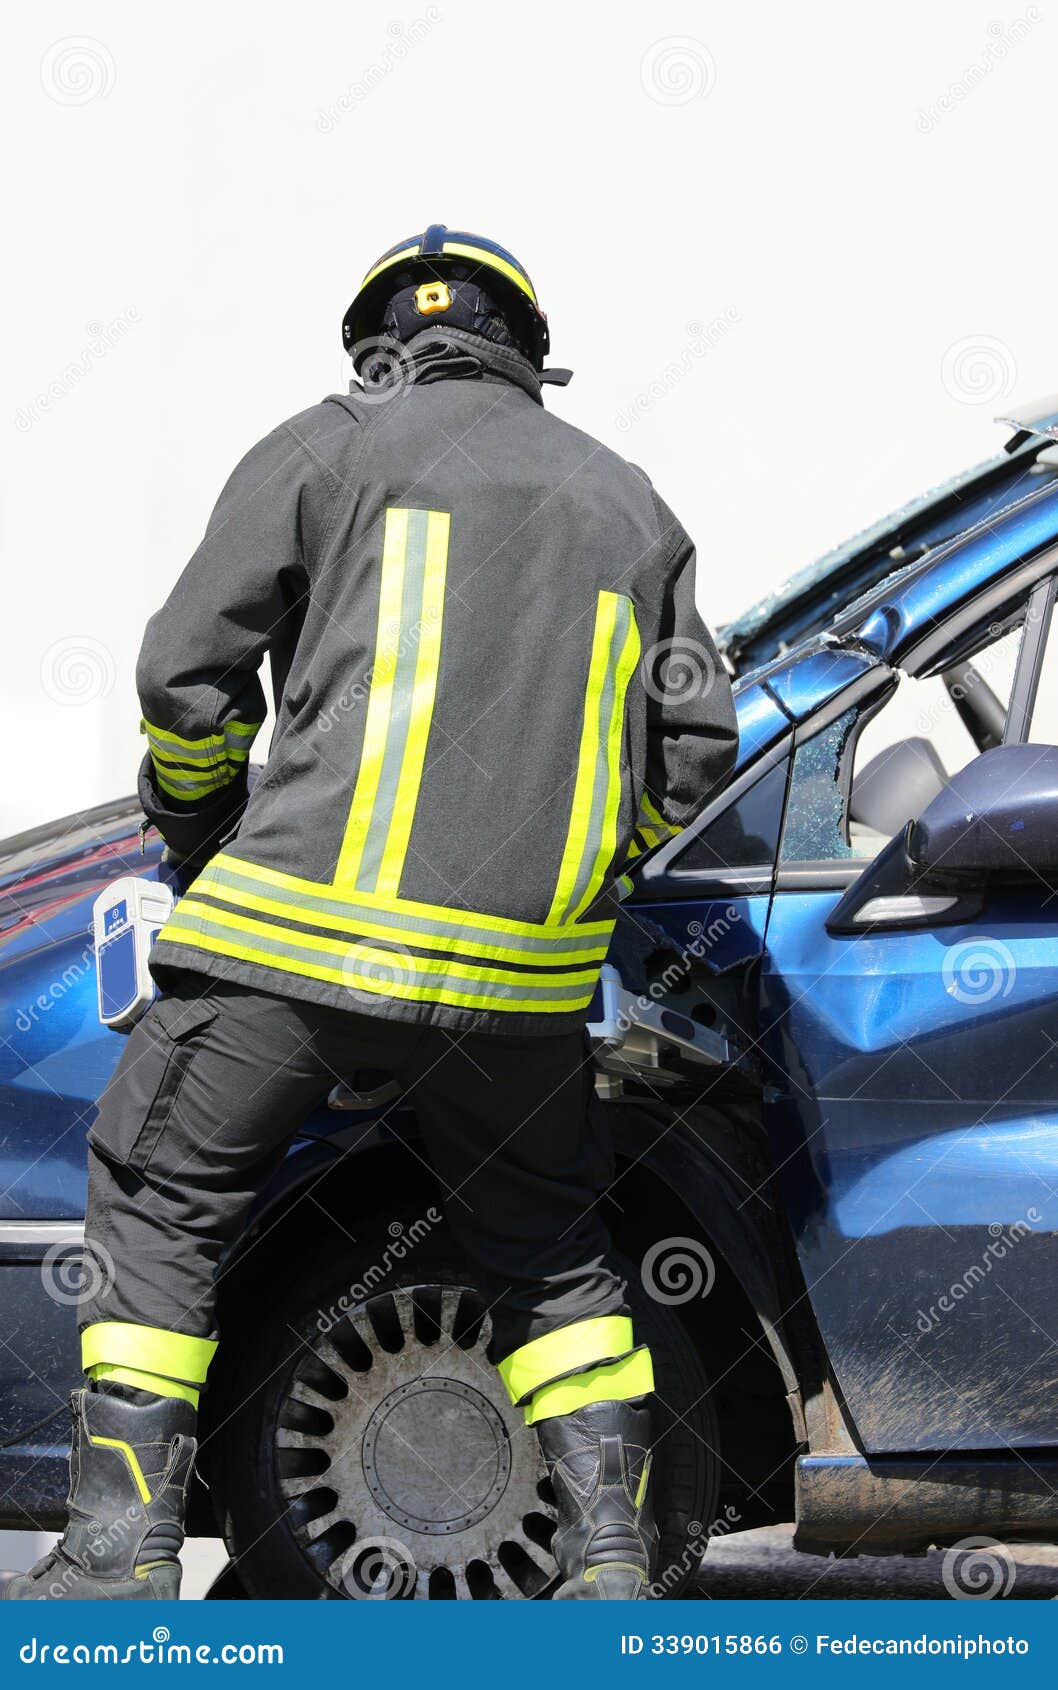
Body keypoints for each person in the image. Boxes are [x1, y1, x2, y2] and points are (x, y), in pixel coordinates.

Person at [4, 225, 737, 1601]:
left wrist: (203, 827)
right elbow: (696, 746)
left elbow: (185, 679)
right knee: (552, 1251)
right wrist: (590, 874)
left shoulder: (323, 447)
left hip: (288, 949)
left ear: (377, 343)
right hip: (522, 986)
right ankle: (609, 1559)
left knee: (163, 1199)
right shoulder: (629, 504)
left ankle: (115, 1549)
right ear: (529, 356)